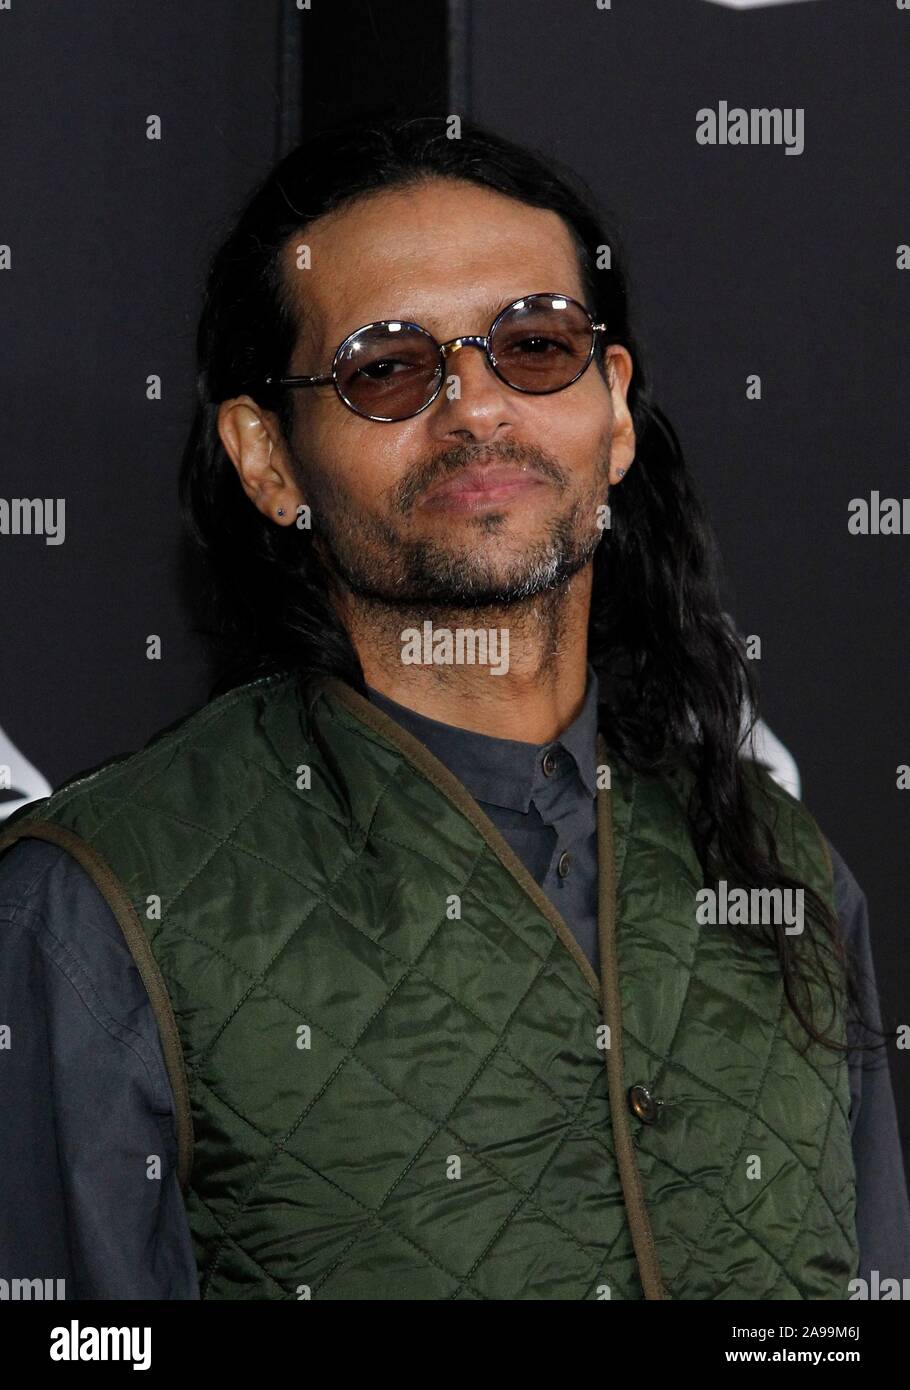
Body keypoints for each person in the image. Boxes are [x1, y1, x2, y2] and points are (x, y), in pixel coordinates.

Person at [1, 115, 907, 1301]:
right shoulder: (95, 906)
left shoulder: (778, 868)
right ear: (269, 460)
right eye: (387, 366)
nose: (476, 407)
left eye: (533, 345)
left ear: (614, 409)